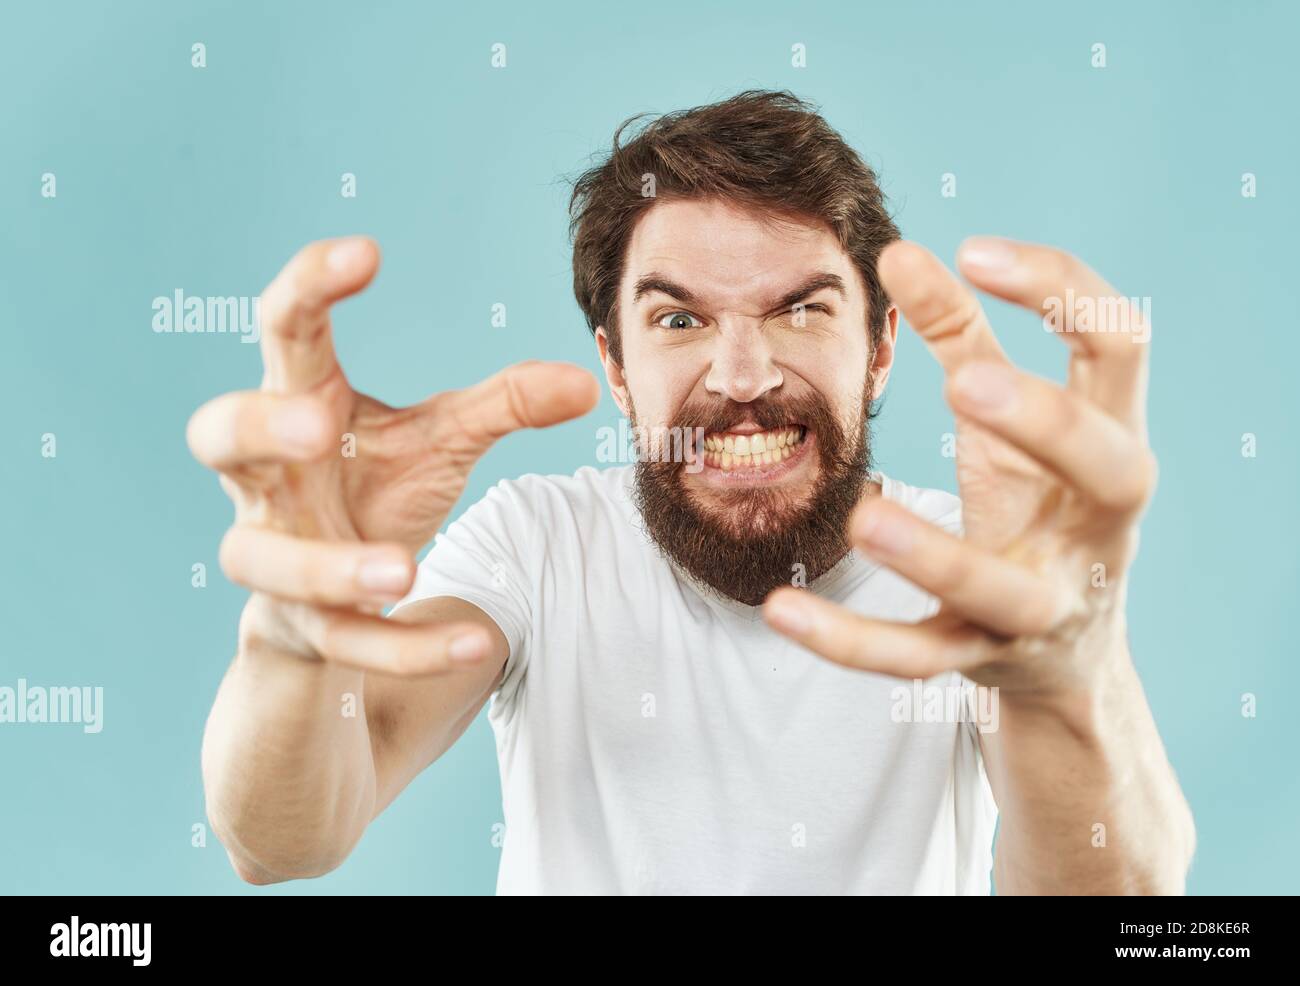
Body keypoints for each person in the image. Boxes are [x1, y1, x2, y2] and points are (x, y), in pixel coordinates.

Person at [189, 90, 1194, 894]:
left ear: (881, 349)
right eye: (679, 322)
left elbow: (1122, 900)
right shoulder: (539, 543)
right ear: (616, 366)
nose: (743, 375)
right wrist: (289, 633)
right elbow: (282, 839)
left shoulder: (973, 572)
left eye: (801, 309)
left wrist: (1069, 676)